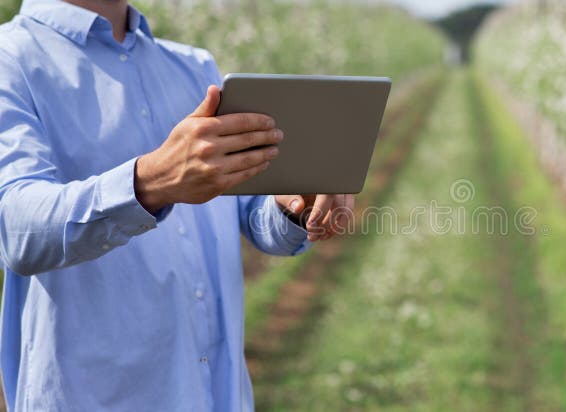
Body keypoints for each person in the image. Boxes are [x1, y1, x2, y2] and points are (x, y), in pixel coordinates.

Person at [0, 0, 356, 410]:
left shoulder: (194, 66)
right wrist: (149, 182)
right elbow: (16, 229)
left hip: (215, 393)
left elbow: (251, 214)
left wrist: (295, 201)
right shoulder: (12, 59)